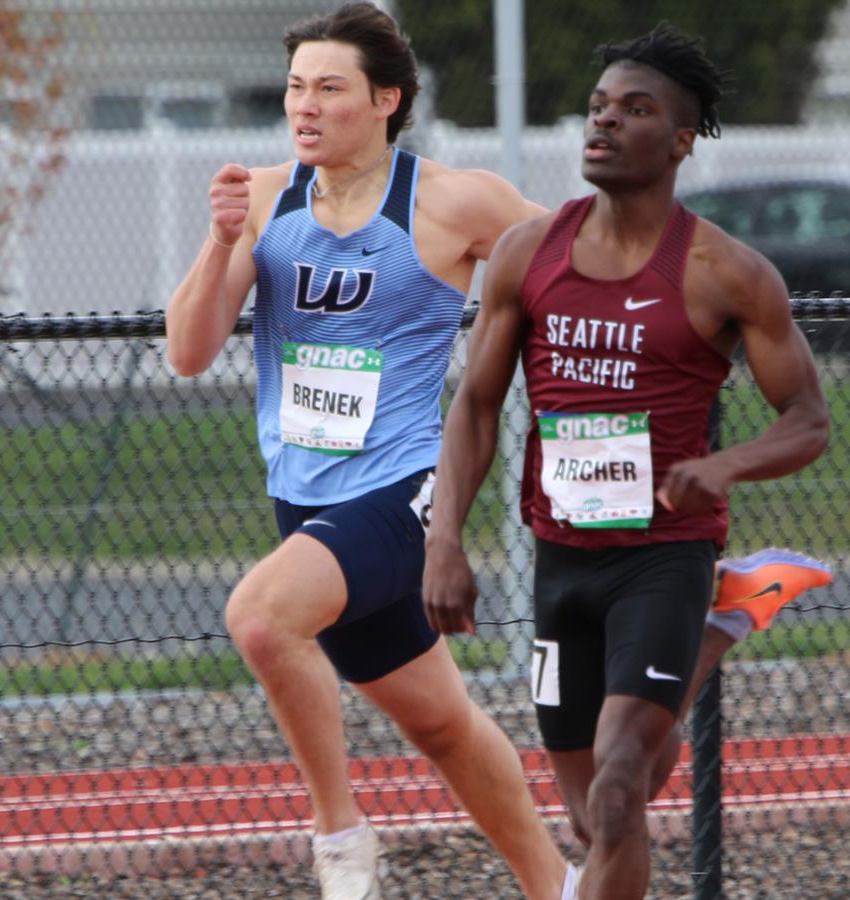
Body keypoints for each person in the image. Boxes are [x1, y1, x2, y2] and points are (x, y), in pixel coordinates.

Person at [163, 4, 578, 899]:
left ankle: (339, 836)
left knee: (264, 619)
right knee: (443, 725)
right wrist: (222, 239)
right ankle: (563, 889)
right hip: (305, 493)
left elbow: (582, 263)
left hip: (404, 490)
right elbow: (190, 352)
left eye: (329, 89)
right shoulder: (269, 197)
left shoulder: (453, 201)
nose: (304, 107)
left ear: (386, 99)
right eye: (295, 87)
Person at [422, 23, 832, 900]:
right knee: (603, 808)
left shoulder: (727, 271)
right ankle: (717, 634)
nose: (603, 124)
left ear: (681, 140)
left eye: (635, 111)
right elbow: (478, 404)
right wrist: (444, 540)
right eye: (599, 107)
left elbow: (806, 420)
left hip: (664, 554)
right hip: (561, 559)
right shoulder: (529, 253)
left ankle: (702, 621)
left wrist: (724, 469)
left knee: (614, 796)